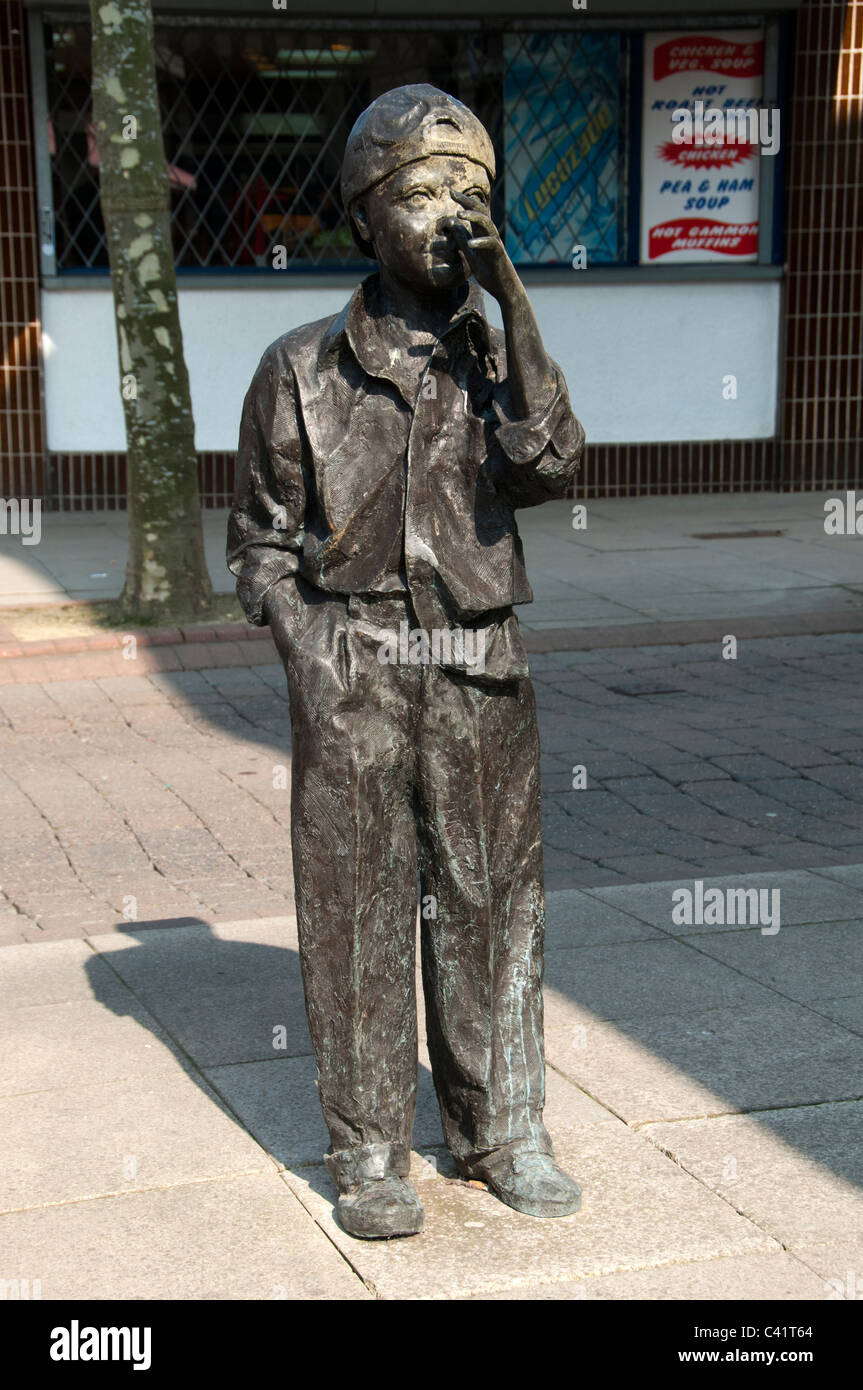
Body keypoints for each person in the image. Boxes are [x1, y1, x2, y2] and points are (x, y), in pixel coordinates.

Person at [228, 85, 585, 1240]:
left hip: (476, 652)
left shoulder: (495, 353)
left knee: (488, 898)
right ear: (365, 213)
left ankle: (500, 1127)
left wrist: (512, 302)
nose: (449, 214)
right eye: (423, 192)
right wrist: (311, 654)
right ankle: (370, 1147)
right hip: (354, 655)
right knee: (358, 904)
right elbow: (259, 544)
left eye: (471, 195)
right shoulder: (300, 368)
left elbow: (551, 464)